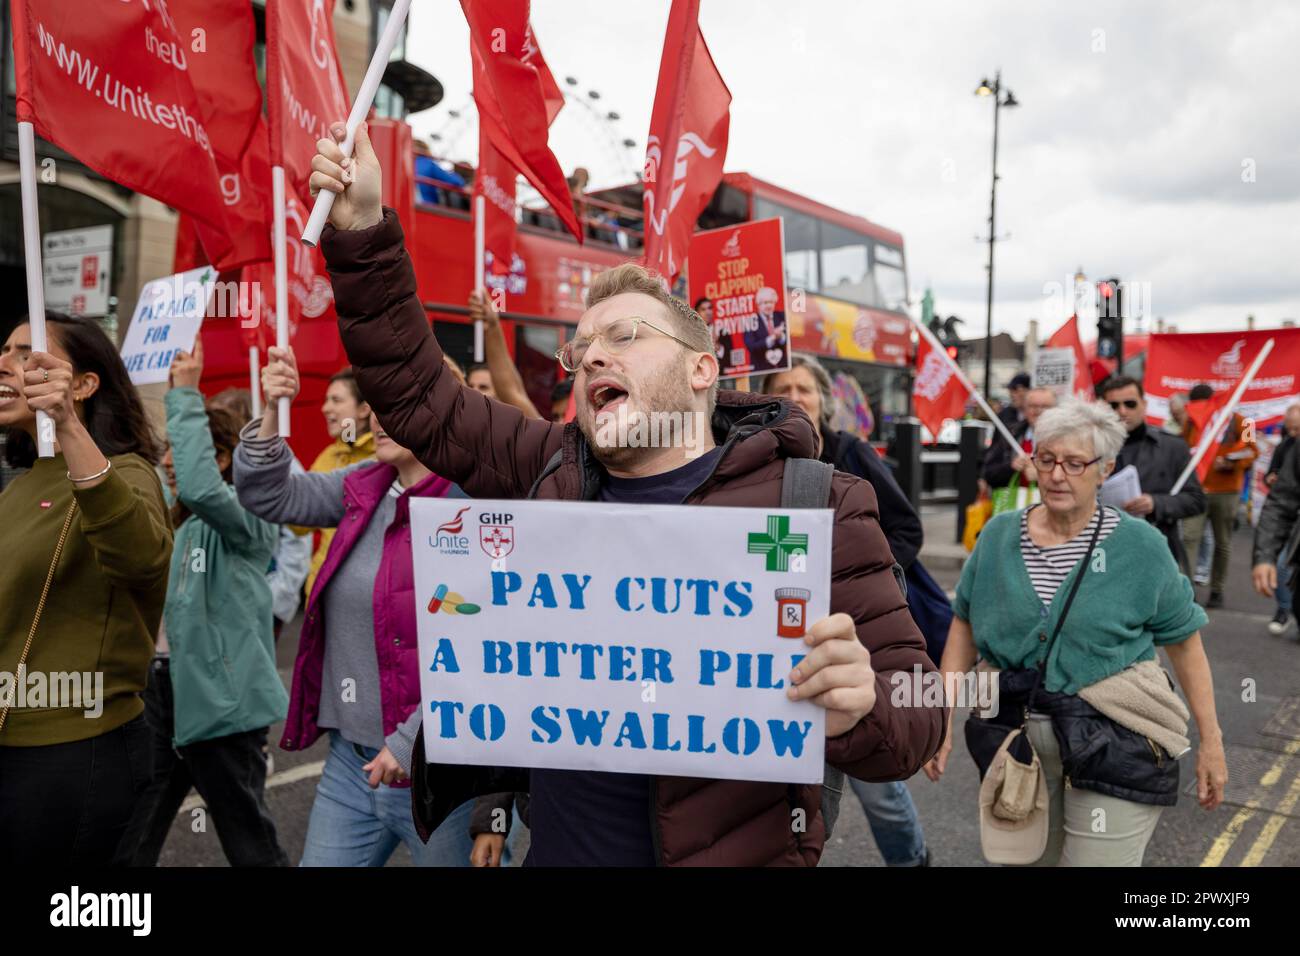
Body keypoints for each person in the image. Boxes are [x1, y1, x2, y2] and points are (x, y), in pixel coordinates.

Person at [308, 120, 945, 866]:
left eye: (626, 335)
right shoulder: (553, 469)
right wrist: (360, 233)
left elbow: (918, 713)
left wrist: (860, 703)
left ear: (702, 370)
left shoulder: (814, 502)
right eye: (581, 352)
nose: (591, 357)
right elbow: (419, 397)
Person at [925, 400, 1228, 865]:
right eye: (1045, 459)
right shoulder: (998, 536)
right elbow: (963, 624)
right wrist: (940, 717)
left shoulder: (1140, 546)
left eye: (1074, 463)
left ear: (1105, 469)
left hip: (1116, 737)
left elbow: (1185, 643)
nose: (1056, 474)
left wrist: (1212, 741)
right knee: (1022, 861)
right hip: (1016, 737)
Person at [234, 345, 475, 866]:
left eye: (396, 403)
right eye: (374, 404)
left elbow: (485, 650)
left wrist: (413, 740)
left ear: (440, 412)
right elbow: (267, 495)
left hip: (446, 777)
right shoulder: (361, 484)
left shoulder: (472, 505)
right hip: (350, 764)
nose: (376, 416)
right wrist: (273, 408)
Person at [0, 312, 172, 866]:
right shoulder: (21, 485)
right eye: (4, 350)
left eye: (27, 353)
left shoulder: (127, 473)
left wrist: (69, 427)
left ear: (82, 384)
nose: (4, 364)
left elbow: (143, 560)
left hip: (73, 753)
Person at [115, 342, 289, 866]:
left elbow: (198, 486)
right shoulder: (176, 521)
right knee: (129, 840)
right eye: (166, 450)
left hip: (224, 709)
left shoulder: (248, 518)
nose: (166, 462)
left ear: (221, 461)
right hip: (159, 696)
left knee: (248, 844)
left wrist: (185, 394)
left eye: (179, 449)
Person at [763, 352, 932, 867]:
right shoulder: (752, 462)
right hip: (782, 644)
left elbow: (906, 530)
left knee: (878, 787)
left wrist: (860, 580)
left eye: (804, 389)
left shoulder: (853, 455)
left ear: (823, 401)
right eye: (782, 388)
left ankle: (912, 860)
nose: (794, 398)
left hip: (854, 640)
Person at [210, 387, 312, 642]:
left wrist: (276, 601)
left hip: (263, 602)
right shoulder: (222, 466)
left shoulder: (280, 467)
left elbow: (297, 538)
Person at [1100, 375, 1206, 574]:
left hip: (1156, 547)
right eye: (1114, 406)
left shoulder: (1172, 446)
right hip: (1106, 551)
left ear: (1144, 404)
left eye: (1130, 404)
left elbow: (1196, 499)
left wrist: (1156, 503)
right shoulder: (1091, 448)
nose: (1122, 411)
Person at [1178, 383, 1257, 608]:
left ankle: (1217, 590)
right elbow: (1184, 448)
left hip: (1227, 492)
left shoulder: (1244, 421)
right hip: (1197, 491)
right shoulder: (1192, 421)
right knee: (1190, 538)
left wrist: (1232, 462)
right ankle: (1187, 590)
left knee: (1222, 542)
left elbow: (1253, 450)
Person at [302, 367, 375, 597]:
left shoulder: (385, 458)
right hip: (320, 593)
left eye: (336, 400)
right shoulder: (327, 456)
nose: (325, 408)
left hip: (364, 594)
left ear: (364, 409)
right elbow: (298, 523)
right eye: (326, 400)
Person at [1253, 402, 1300, 635]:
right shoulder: (1289, 447)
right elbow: (1281, 500)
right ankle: (1284, 610)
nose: (1293, 434)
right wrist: (1265, 556)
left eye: (1297, 429)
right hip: (1294, 527)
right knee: (1282, 567)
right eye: (1290, 429)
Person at [468, 289, 544, 418]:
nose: (475, 393)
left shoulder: (514, 433)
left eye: (484, 387)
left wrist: (492, 328)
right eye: (470, 387)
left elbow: (512, 392)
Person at [982, 387, 1057, 489]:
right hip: (1015, 502)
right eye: (1033, 406)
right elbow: (989, 474)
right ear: (1025, 410)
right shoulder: (1010, 434)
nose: (1039, 411)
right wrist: (1011, 467)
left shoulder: (1066, 439)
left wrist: (1041, 476)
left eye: (1045, 407)